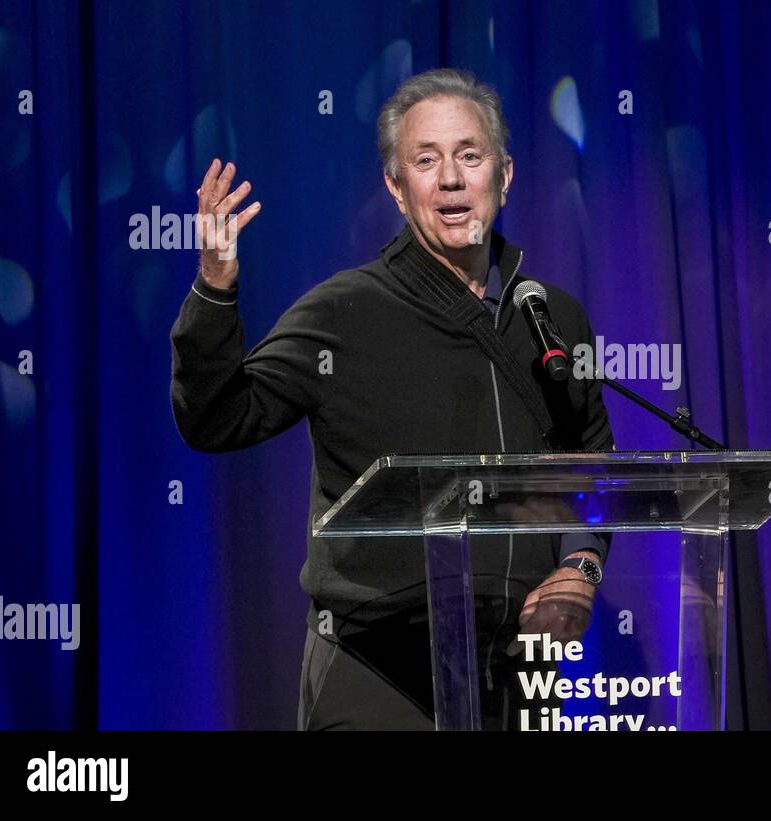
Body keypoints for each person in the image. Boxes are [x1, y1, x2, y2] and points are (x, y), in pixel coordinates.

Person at [169, 68, 613, 730]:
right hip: (375, 671)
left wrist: (581, 564)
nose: (453, 179)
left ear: (505, 175)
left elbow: (595, 465)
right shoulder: (345, 312)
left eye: (470, 155)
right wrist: (214, 284)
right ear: (397, 189)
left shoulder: (550, 317)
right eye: (426, 161)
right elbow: (217, 417)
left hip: (519, 666)